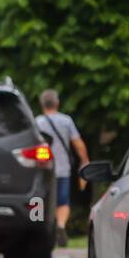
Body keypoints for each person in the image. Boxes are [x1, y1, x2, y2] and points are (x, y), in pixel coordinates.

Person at [36, 88, 89, 247]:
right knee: (63, 202)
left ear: (42, 104)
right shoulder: (66, 121)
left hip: (44, 169)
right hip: (63, 168)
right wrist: (85, 160)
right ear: (57, 103)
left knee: (41, 200)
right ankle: (60, 226)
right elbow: (77, 143)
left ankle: (43, 230)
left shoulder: (37, 122)